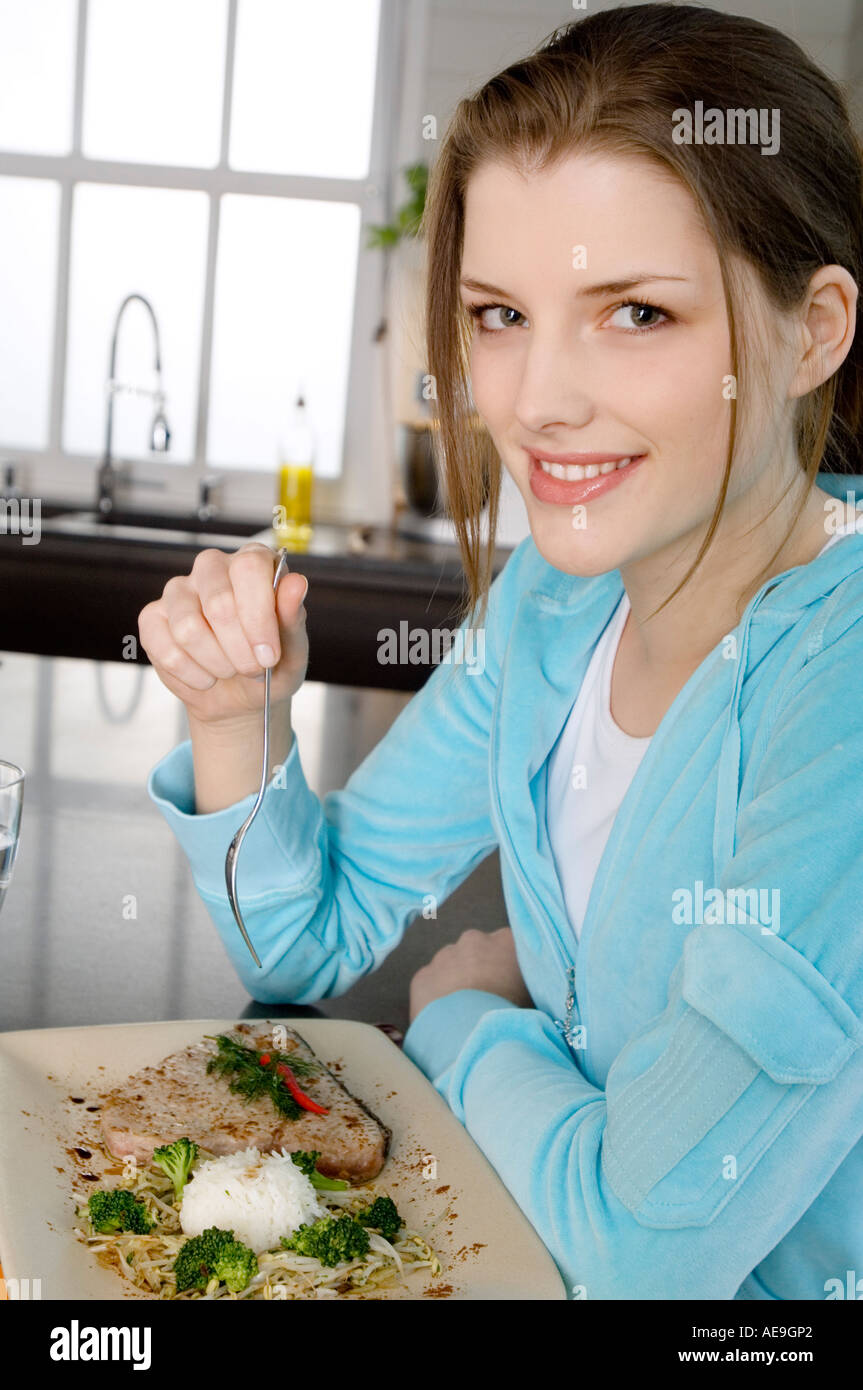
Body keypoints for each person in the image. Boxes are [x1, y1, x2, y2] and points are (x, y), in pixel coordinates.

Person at [139, 4, 863, 1299]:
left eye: (636, 312)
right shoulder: (551, 607)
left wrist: (465, 1021)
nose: (535, 400)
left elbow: (646, 1247)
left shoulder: (842, 686)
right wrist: (238, 713)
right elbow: (308, 940)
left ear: (813, 330)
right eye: (500, 313)